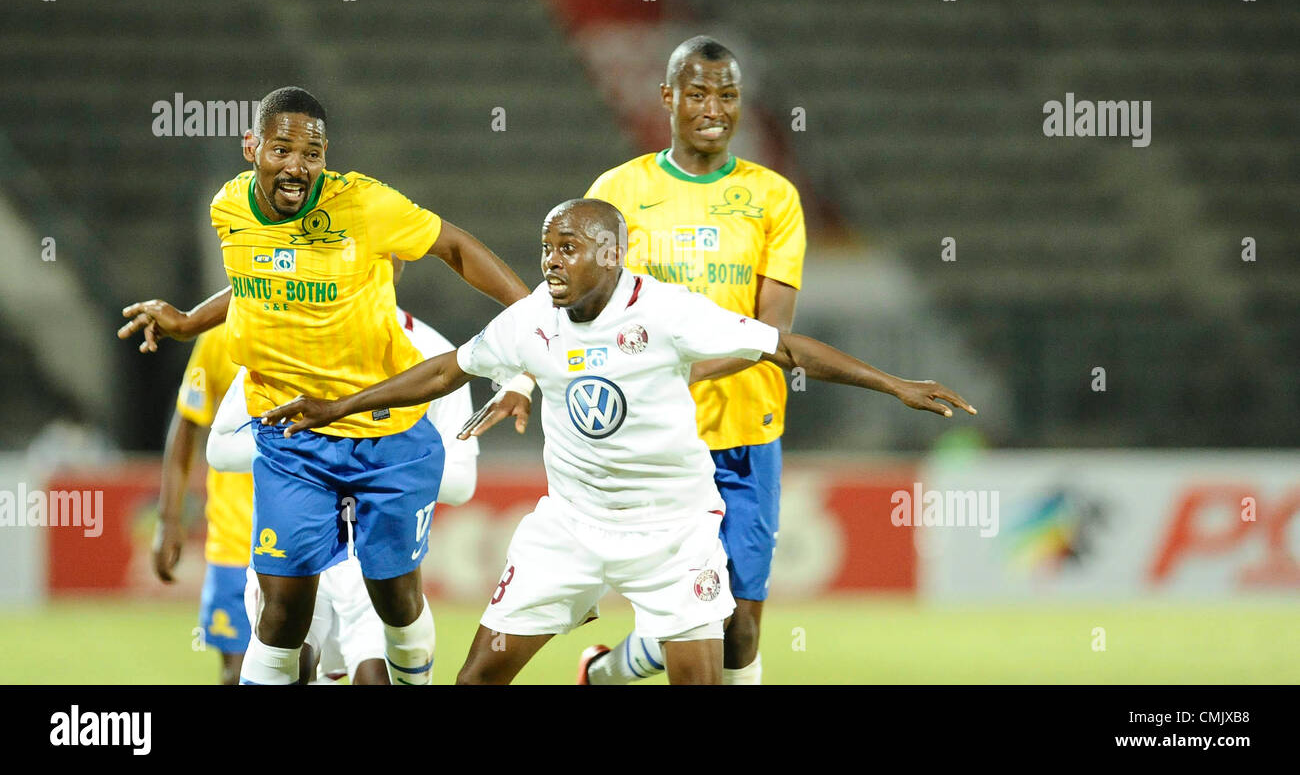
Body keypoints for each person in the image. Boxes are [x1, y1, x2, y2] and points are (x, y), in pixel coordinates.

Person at [259, 198, 975, 686]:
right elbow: (449, 367)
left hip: (673, 533)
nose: (550, 262)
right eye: (545, 248)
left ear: (610, 251)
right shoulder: (533, 318)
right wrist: (340, 404)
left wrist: (895, 384)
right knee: (478, 675)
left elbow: (784, 348)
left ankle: (607, 669)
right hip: (568, 529)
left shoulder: (666, 312)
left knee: (704, 674)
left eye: (566, 247)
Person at [118, 86, 532, 685]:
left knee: (397, 601)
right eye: (281, 149)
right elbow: (253, 279)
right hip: (293, 436)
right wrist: (186, 322)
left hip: (384, 433)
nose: (297, 166)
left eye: (311, 154)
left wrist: (534, 322)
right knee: (283, 614)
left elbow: (456, 248)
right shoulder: (229, 208)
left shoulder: (363, 205)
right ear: (251, 146)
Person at [577, 35, 803, 684]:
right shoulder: (617, 191)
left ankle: (609, 672)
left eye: (728, 95)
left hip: (746, 435)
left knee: (739, 627)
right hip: (656, 441)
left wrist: (678, 371)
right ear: (667, 97)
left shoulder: (774, 198)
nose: (714, 108)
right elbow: (588, 313)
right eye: (698, 92)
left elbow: (771, 330)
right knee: (694, 618)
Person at [208, 294, 485, 684]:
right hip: (300, 534)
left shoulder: (431, 351)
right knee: (294, 661)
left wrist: (385, 469)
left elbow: (462, 481)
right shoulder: (283, 342)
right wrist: (308, 453)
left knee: (375, 676)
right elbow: (218, 448)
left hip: (371, 554)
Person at [153, 322, 249, 685]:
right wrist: (168, 519)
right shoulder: (219, 335)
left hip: (303, 534)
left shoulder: (316, 320)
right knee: (236, 674)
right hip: (233, 538)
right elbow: (188, 419)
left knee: (305, 668)